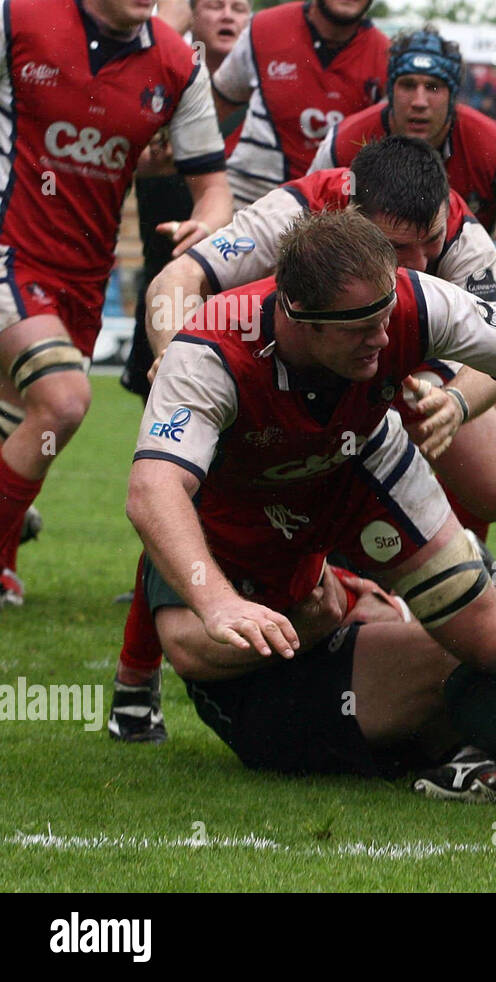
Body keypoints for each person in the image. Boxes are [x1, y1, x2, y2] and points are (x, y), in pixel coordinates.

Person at [127, 207, 496, 808]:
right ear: (298, 317)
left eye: (387, 319)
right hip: (244, 527)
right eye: (362, 327)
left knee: (491, 639)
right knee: (200, 641)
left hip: (362, 467)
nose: (384, 339)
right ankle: (461, 751)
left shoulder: (411, 300)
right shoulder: (209, 354)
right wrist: (218, 600)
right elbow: (153, 490)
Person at [309, 26, 496, 537]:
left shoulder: (495, 150)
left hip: (448, 321)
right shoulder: (343, 142)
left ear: (455, 95)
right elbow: (301, 238)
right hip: (350, 321)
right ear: (389, 89)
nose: (419, 101)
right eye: (407, 85)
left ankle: (463, 554)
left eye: (435, 88)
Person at [0, 0, 231, 608]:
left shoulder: (178, 64)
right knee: (65, 401)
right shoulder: (18, 19)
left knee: (23, 416)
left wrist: (205, 225)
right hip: (10, 250)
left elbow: (214, 189)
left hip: (85, 275)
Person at [121, 0, 253, 402]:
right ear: (190, 17)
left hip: (240, 283)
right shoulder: (156, 79)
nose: (228, 16)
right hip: (164, 267)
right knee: (162, 398)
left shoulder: (265, 105)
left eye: (240, 8)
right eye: (215, 6)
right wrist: (144, 161)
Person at [212, 0, 387, 207]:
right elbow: (219, 102)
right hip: (246, 198)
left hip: (330, 208)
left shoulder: (385, 55)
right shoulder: (265, 27)